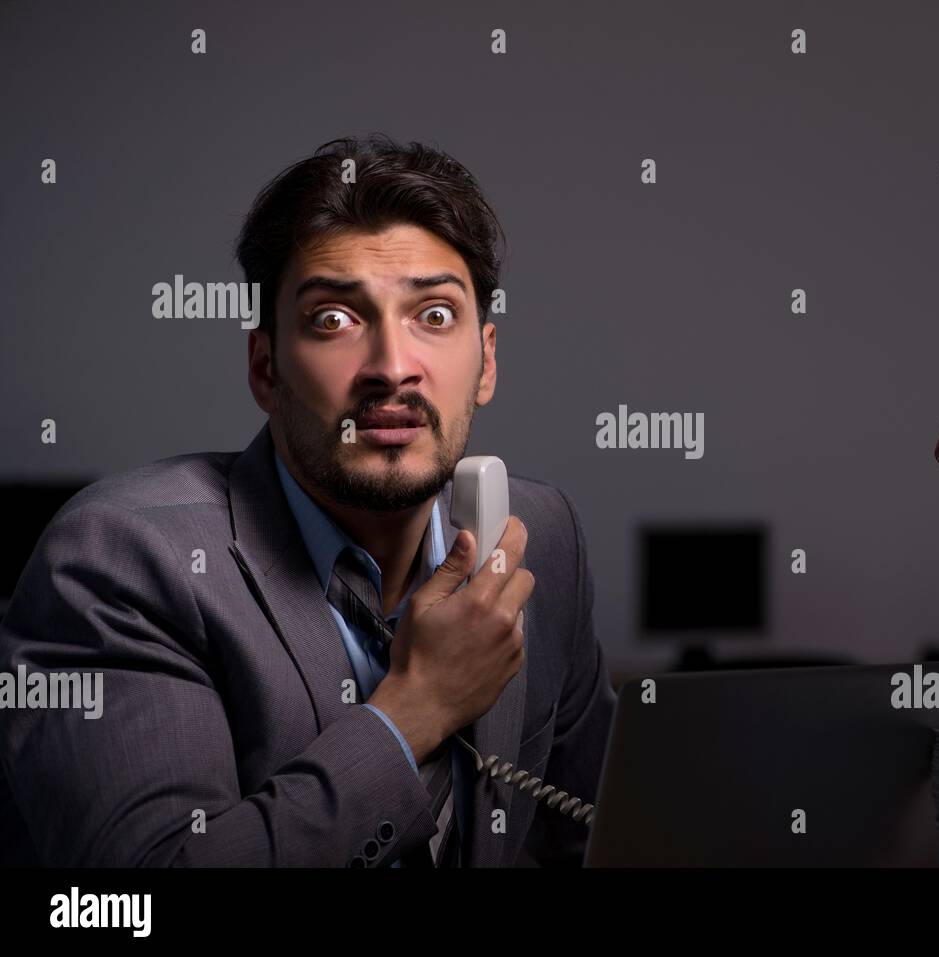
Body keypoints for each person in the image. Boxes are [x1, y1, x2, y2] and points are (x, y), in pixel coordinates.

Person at [0, 134, 616, 867]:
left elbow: (602, 839)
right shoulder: (117, 562)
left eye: (436, 316)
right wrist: (415, 711)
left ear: (486, 361)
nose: (393, 368)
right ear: (265, 368)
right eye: (334, 319)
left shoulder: (541, 536)